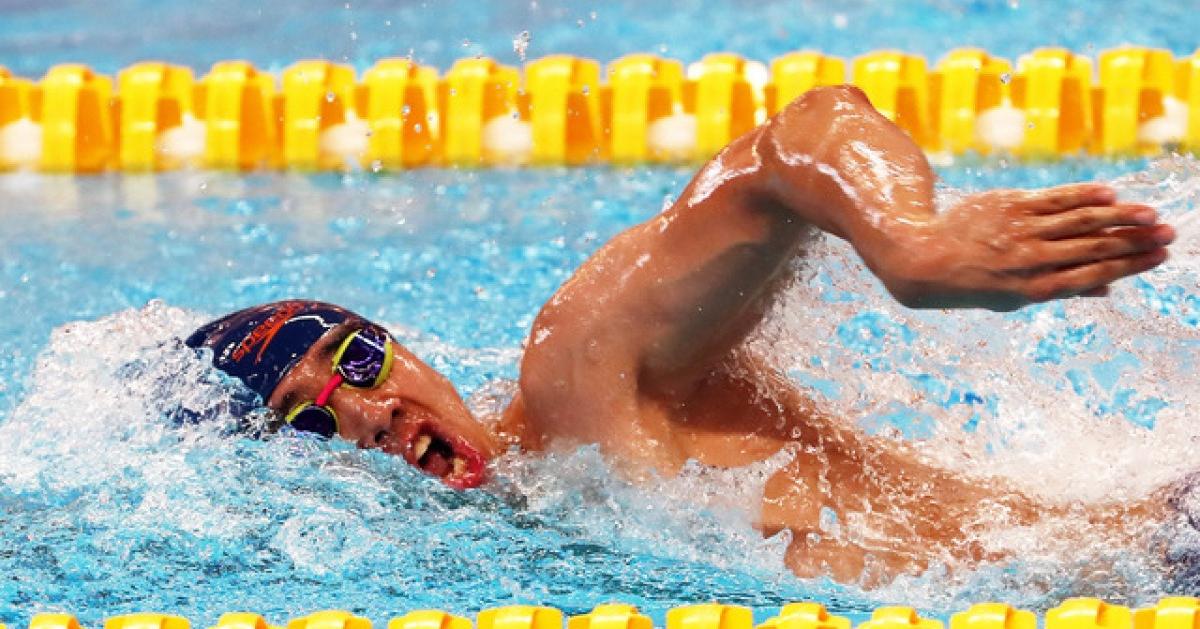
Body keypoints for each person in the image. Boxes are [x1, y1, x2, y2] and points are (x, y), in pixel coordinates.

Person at [187, 85, 1177, 583]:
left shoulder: (577, 375)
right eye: (311, 423)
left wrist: (911, 240)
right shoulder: (534, 520)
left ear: (402, 347)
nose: (370, 411)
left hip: (1167, 551)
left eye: (357, 362)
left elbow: (801, 139)